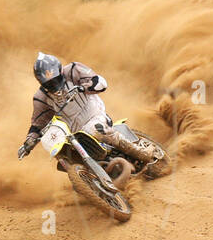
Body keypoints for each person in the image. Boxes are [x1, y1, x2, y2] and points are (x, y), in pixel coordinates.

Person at [17, 52, 161, 168]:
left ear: (60, 70)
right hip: (75, 132)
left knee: (94, 129)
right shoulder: (40, 98)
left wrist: (84, 87)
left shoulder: (74, 70)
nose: (54, 85)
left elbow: (100, 82)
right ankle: (89, 180)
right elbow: (38, 123)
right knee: (64, 154)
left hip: (94, 114)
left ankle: (142, 153)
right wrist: (29, 142)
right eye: (49, 83)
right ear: (41, 82)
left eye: (55, 80)